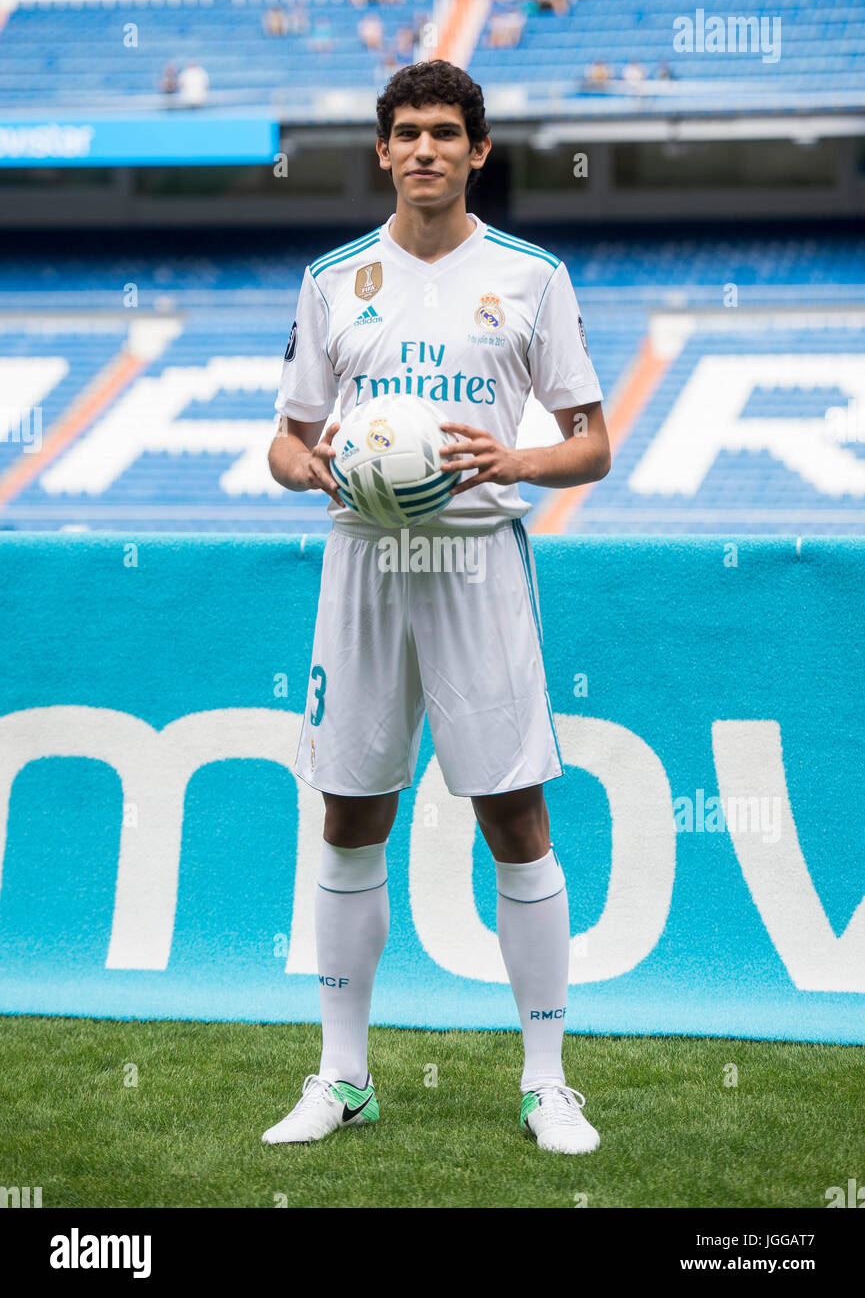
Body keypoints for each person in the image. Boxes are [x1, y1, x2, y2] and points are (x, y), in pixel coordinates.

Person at [265, 59, 611, 1156]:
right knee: (349, 811)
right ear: (382, 151)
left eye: (444, 134)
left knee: (513, 815)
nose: (424, 149)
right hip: (362, 564)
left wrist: (511, 455)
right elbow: (284, 439)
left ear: (477, 151)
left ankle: (548, 1081)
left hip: (476, 562)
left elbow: (594, 442)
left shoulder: (532, 276)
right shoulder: (331, 280)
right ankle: (344, 1074)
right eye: (406, 132)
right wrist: (316, 470)